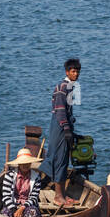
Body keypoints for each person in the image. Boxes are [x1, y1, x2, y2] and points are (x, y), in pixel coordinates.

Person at [38, 58, 81, 208]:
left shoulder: (70, 87)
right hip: (59, 126)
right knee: (59, 159)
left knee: (63, 160)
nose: (76, 74)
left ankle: (62, 194)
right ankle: (58, 196)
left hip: (64, 126)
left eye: (77, 71)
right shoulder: (62, 87)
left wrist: (71, 131)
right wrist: (66, 129)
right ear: (67, 72)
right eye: (73, 71)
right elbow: (60, 111)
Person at [1, 147, 43, 217]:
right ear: (19, 164)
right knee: (5, 214)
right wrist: (14, 210)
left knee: (33, 213)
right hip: (12, 204)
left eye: (27, 163)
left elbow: (33, 197)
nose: (25, 165)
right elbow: (6, 196)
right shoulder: (9, 175)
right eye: (22, 163)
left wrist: (22, 208)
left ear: (30, 163)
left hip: (28, 205)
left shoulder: (36, 177)